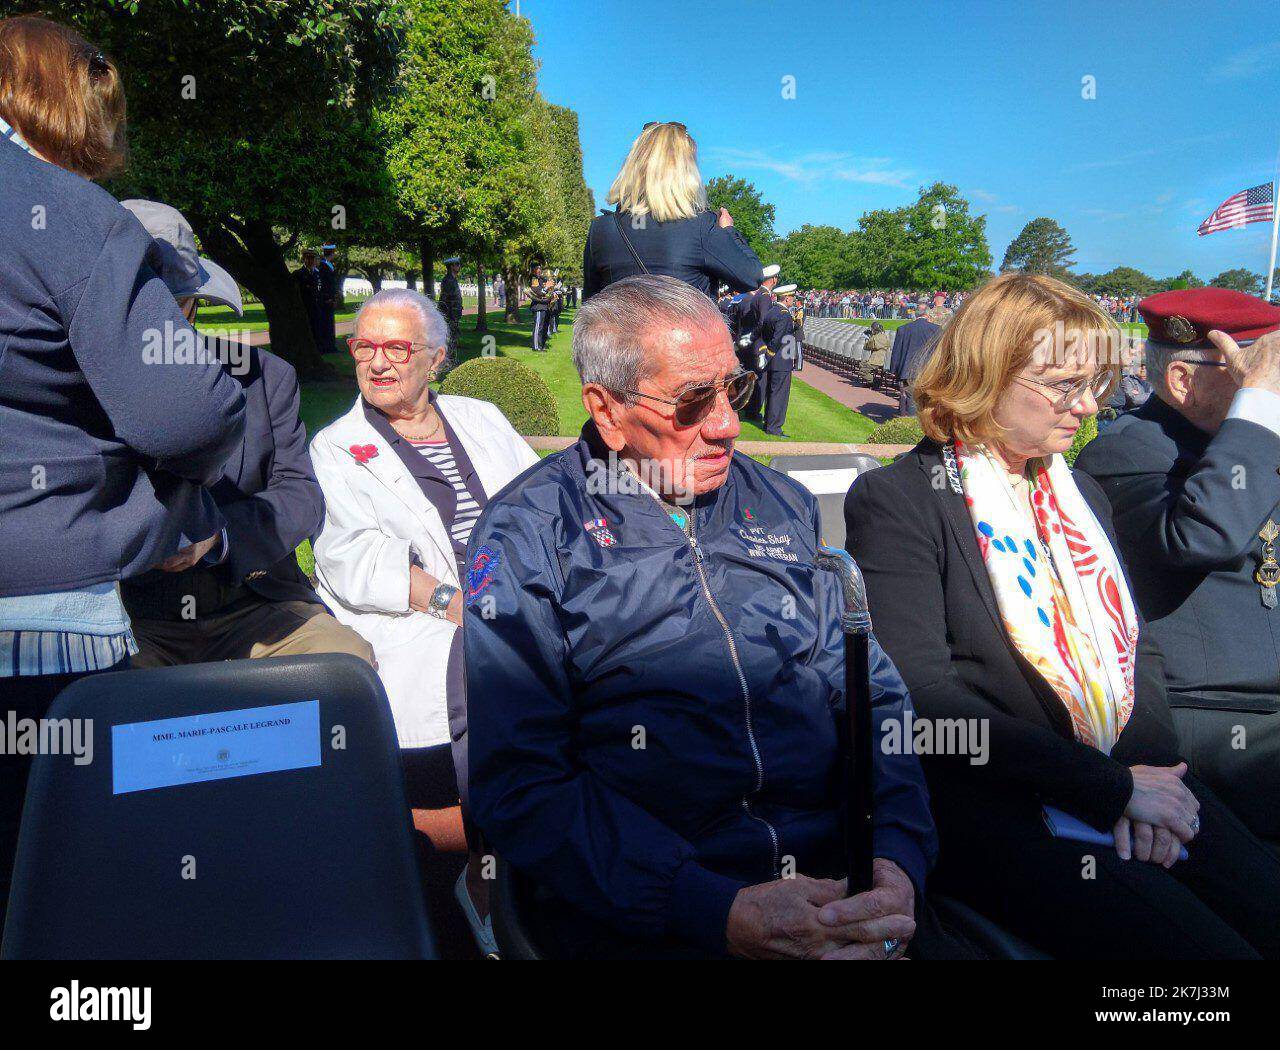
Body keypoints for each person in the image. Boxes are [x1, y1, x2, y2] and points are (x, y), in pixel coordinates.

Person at [463, 275, 936, 959]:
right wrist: (713, 909)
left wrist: (895, 854)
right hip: (657, 909)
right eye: (692, 402)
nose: (726, 424)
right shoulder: (529, 533)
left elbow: (873, 694)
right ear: (606, 410)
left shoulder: (781, 502)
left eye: (734, 388)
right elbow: (521, 783)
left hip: (839, 879)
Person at [844, 272, 1280, 959]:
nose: (1087, 408)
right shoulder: (900, 499)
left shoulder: (1076, 491)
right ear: (986, 373)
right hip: (1003, 805)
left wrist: (1156, 779)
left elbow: (1137, 653)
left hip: (1127, 779)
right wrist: (1112, 790)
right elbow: (923, 705)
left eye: (1097, 386)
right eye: (1062, 385)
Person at [0, 16, 246, 930]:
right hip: (39, 623)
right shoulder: (65, 212)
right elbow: (180, 412)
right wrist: (174, 517)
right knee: (58, 896)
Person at [309, 288, 539, 952]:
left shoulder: (480, 415)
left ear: (434, 358)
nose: (377, 362)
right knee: (490, 671)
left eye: (396, 348)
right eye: (364, 346)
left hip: (511, 596)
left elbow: (538, 500)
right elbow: (352, 558)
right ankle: (480, 875)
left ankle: (529, 865)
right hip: (420, 616)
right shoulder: (337, 447)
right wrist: (457, 605)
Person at [115, 200, 373, 670]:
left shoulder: (263, 376)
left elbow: (300, 495)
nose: (160, 326)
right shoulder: (78, 386)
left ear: (193, 302)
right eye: (139, 309)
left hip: (258, 607)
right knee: (101, 706)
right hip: (133, 623)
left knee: (346, 665)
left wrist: (219, 537)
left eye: (173, 306)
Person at [1076, 289, 1280, 841]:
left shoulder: (1260, 448)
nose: (1268, 382)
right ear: (1182, 380)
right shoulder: (1128, 450)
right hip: (1209, 721)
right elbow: (1203, 536)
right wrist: (1258, 403)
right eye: (1251, 367)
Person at [582, 122, 763, 301]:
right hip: (684, 329)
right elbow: (751, 277)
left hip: (619, 329)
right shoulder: (701, 227)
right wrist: (728, 231)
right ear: (686, 172)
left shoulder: (601, 229)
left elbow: (590, 304)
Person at [889, 301, 949, 415]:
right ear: (927, 314)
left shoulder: (903, 329)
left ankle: (912, 422)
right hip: (929, 370)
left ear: (915, 314)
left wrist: (893, 370)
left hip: (908, 370)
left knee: (911, 399)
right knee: (927, 400)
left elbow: (896, 352)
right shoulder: (936, 329)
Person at [759, 286, 800, 436]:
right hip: (781, 359)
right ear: (787, 298)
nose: (793, 300)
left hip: (774, 360)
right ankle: (774, 427)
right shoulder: (784, 315)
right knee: (779, 395)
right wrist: (769, 354)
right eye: (792, 298)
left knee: (771, 393)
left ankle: (768, 423)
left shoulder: (772, 311)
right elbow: (777, 339)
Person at [294, 249, 328, 354]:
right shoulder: (298, 274)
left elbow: (320, 290)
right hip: (305, 308)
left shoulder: (318, 274)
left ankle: (319, 349)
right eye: (307, 258)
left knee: (317, 329)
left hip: (317, 307)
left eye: (312, 258)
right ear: (304, 259)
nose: (310, 261)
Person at [438, 256, 463, 354]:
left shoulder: (452, 279)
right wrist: (451, 316)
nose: (459, 266)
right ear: (452, 266)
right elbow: (445, 300)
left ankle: (451, 359)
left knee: (452, 338)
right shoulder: (448, 280)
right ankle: (450, 361)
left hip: (453, 314)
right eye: (457, 264)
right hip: (450, 315)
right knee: (450, 339)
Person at [319, 244, 340, 353]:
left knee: (329, 322)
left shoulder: (328, 265)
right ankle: (327, 346)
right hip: (326, 300)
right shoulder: (323, 266)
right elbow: (324, 285)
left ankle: (330, 346)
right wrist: (328, 298)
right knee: (326, 323)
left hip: (330, 299)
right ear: (331, 253)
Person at [526, 264, 552, 351]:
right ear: (534, 270)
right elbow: (538, 292)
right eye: (538, 269)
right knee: (538, 327)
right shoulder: (534, 279)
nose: (540, 271)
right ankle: (536, 347)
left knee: (544, 327)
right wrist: (547, 287)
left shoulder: (541, 279)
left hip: (545, 306)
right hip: (538, 306)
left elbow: (545, 292)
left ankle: (541, 345)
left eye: (540, 269)